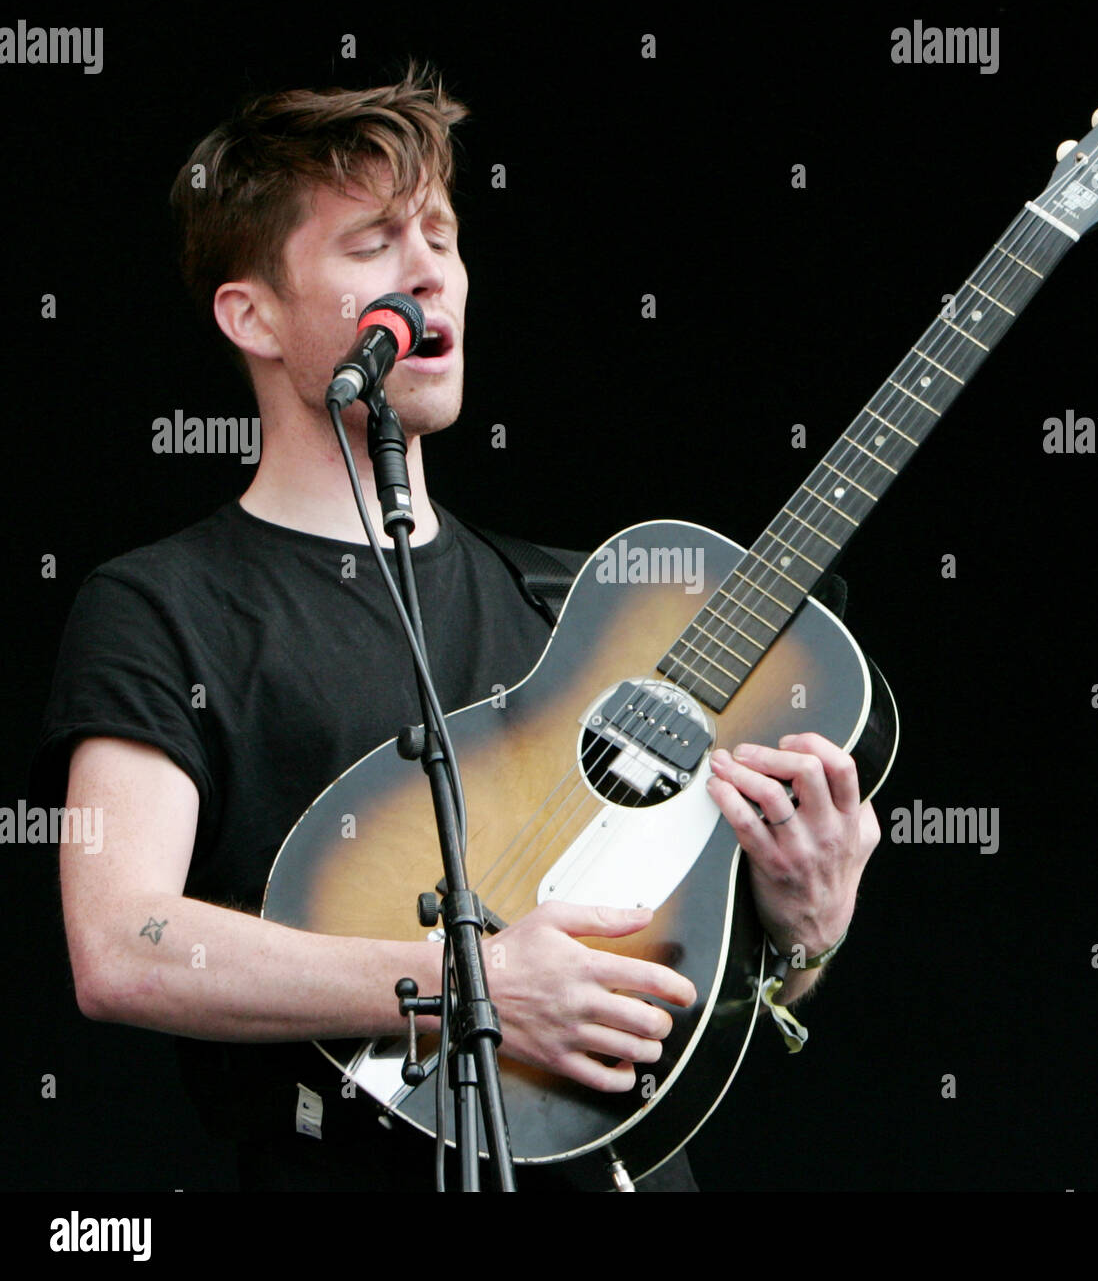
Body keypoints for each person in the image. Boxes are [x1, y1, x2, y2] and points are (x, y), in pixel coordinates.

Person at [32, 62, 881, 1191]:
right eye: (373, 242)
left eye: (441, 232)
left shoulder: (574, 609)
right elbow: (120, 943)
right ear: (254, 314)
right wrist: (457, 979)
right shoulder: (162, 604)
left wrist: (803, 930)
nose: (428, 266)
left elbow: (687, 968)